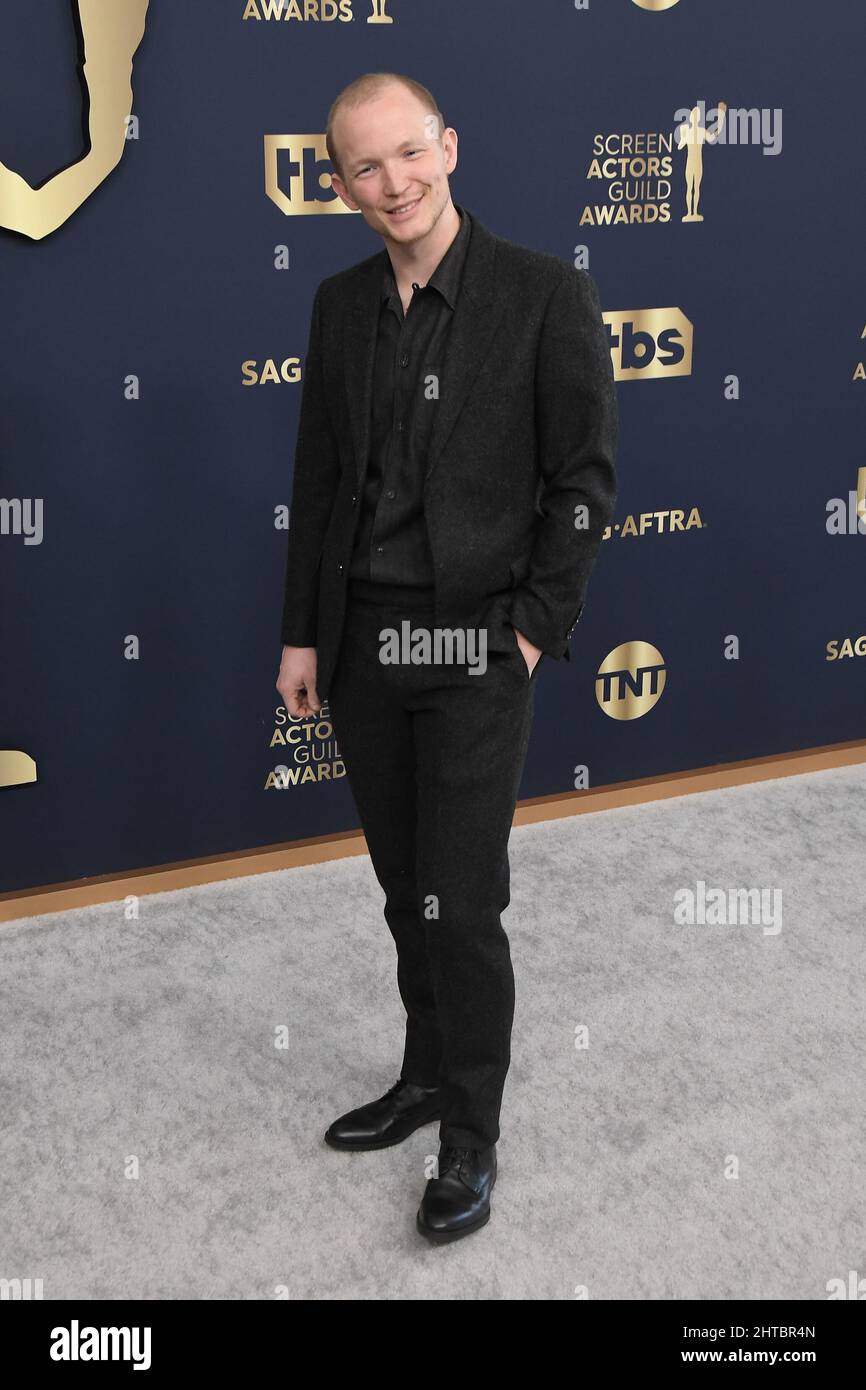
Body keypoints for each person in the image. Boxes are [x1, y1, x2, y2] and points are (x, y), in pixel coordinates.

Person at [276, 71, 618, 1244]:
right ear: (339, 186)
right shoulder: (336, 306)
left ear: (448, 148)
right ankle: (423, 1073)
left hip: (476, 642)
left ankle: (470, 1127)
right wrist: (300, 635)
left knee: (460, 901)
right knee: (400, 882)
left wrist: (530, 629)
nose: (393, 183)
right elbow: (317, 485)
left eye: (408, 154)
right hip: (364, 639)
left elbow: (581, 483)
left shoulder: (542, 294)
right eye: (363, 167)